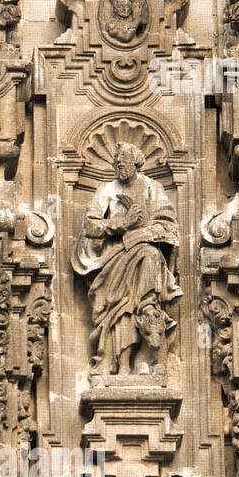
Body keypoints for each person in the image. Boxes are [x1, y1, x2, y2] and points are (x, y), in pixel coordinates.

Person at [70, 142, 181, 376]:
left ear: (136, 162)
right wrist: (120, 224)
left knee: (150, 255)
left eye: (124, 162)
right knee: (120, 309)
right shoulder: (106, 191)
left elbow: (168, 225)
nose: (119, 166)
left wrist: (142, 232)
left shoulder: (153, 189)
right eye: (116, 163)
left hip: (144, 256)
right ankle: (116, 361)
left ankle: (146, 349)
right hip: (112, 259)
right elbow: (90, 226)